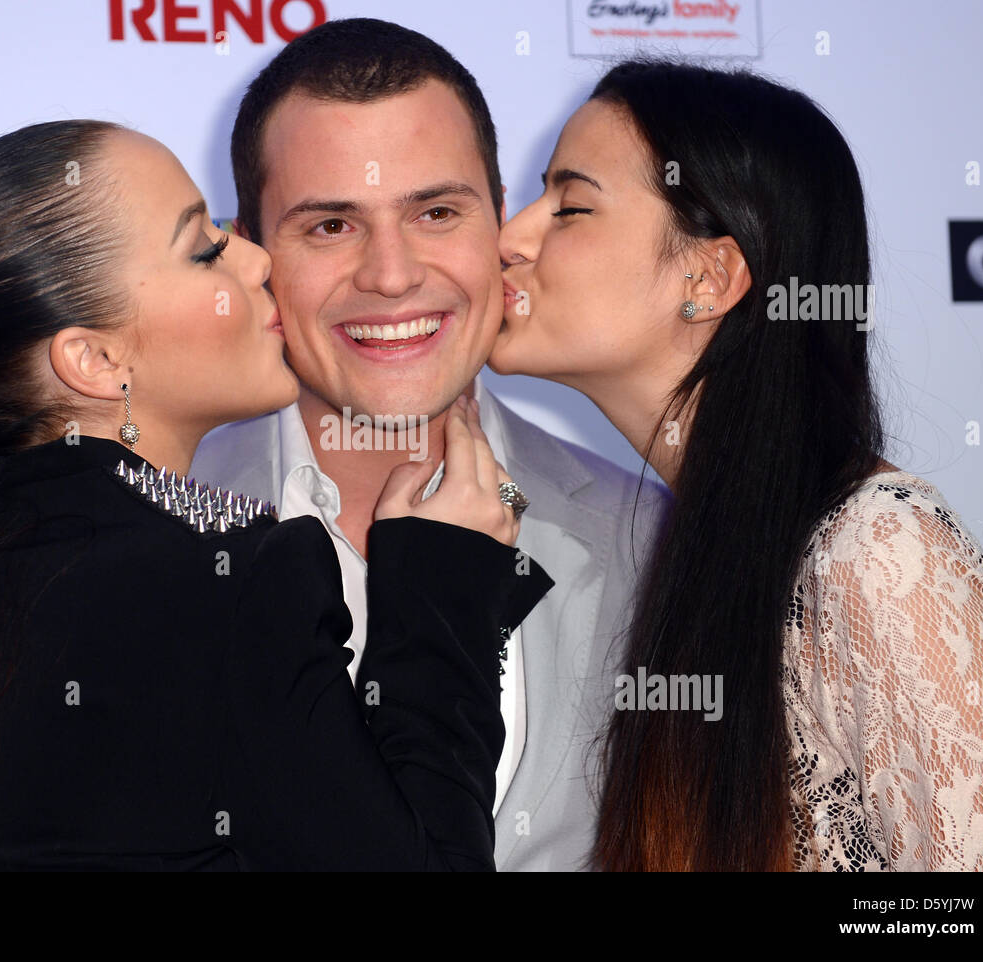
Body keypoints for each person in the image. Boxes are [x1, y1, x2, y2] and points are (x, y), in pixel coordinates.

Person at [0, 119, 554, 871]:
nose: (256, 261)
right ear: (95, 361)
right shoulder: (229, 586)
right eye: (206, 251)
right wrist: (444, 589)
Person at [493, 58, 983, 870]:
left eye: (570, 207)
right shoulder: (699, 553)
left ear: (708, 276)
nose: (511, 239)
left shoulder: (880, 552)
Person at [191, 17, 669, 874]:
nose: (392, 274)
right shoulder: (157, 530)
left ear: (501, 230)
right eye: (331, 226)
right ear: (254, 255)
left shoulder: (656, 539)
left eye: (437, 212)